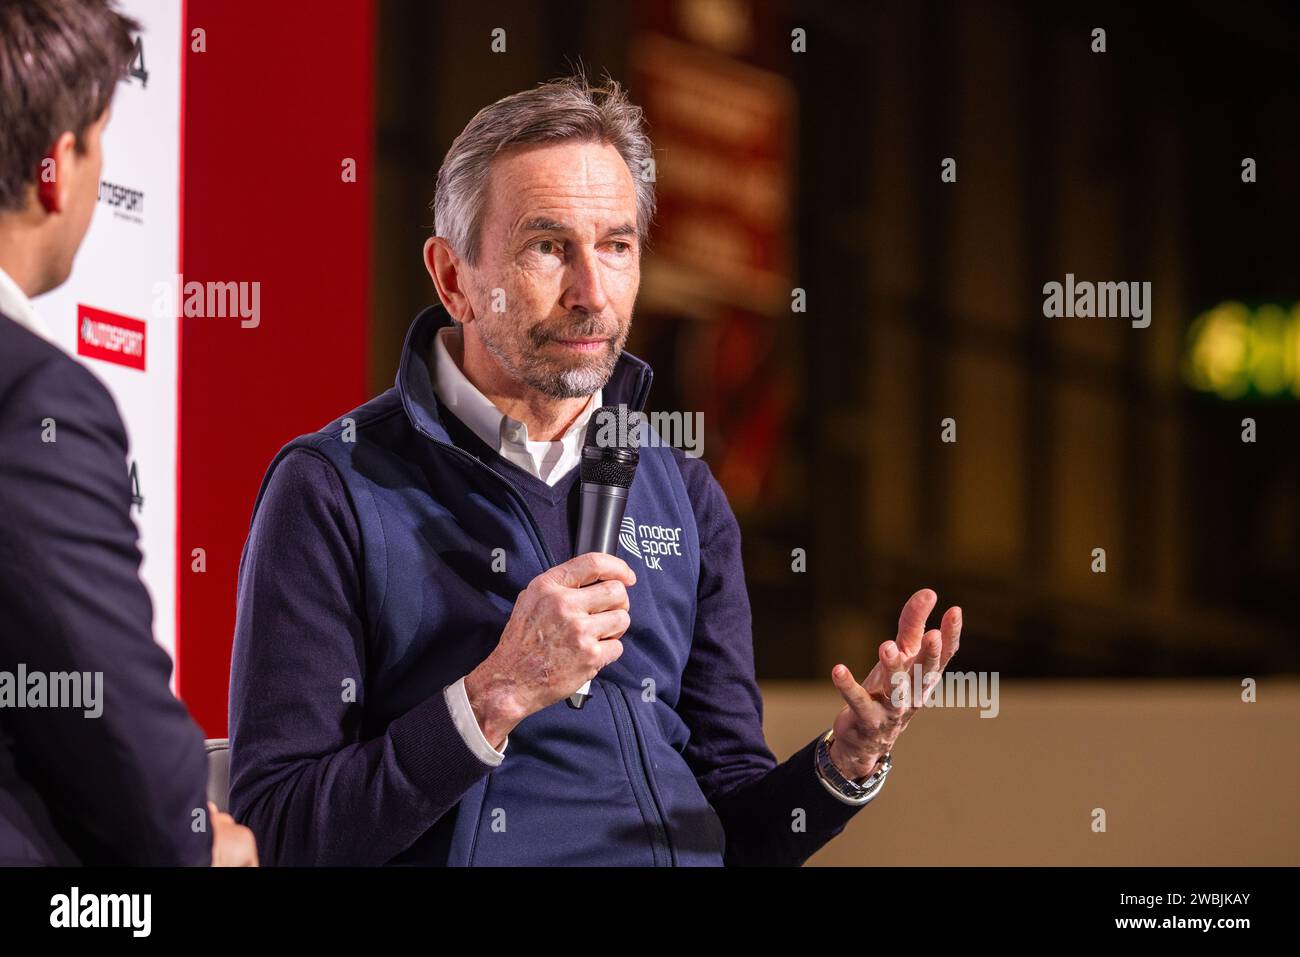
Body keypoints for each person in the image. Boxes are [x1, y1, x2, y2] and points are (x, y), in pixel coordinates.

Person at [228, 71, 962, 865]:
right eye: (548, 247)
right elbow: (280, 829)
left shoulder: (682, 491)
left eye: (616, 246)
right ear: (453, 279)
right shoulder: (334, 487)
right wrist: (495, 693)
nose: (592, 292)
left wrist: (843, 766)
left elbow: (737, 828)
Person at [0, 0, 256, 866]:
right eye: (99, 139)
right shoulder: (37, 397)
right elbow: (118, 738)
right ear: (57, 167)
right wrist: (205, 841)